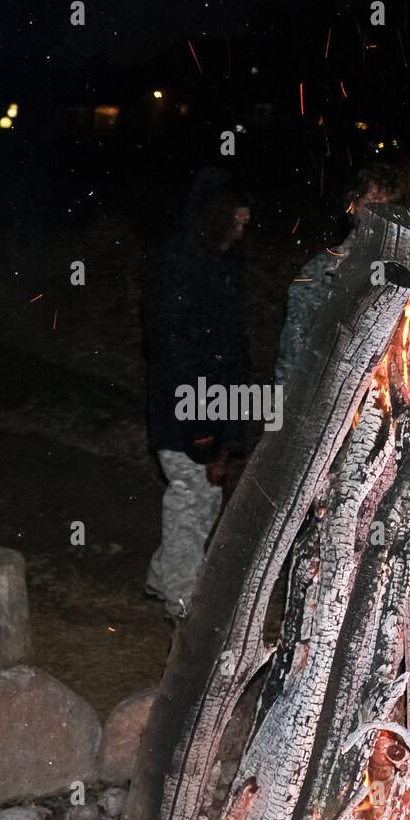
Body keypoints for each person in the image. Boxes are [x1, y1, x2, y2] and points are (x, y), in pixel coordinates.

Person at [143, 168, 252, 621]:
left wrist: (234, 431)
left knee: (201, 498)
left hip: (208, 410)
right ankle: (182, 600)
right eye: (236, 216)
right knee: (192, 497)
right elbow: (185, 358)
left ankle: (162, 577)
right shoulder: (182, 270)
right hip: (185, 413)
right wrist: (206, 435)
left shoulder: (218, 267)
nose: (243, 224)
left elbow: (232, 356)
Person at [274, 163, 404, 386]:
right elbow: (292, 358)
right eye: (373, 201)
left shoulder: (409, 275)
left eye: (388, 204)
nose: (381, 212)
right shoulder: (322, 272)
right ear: (352, 206)